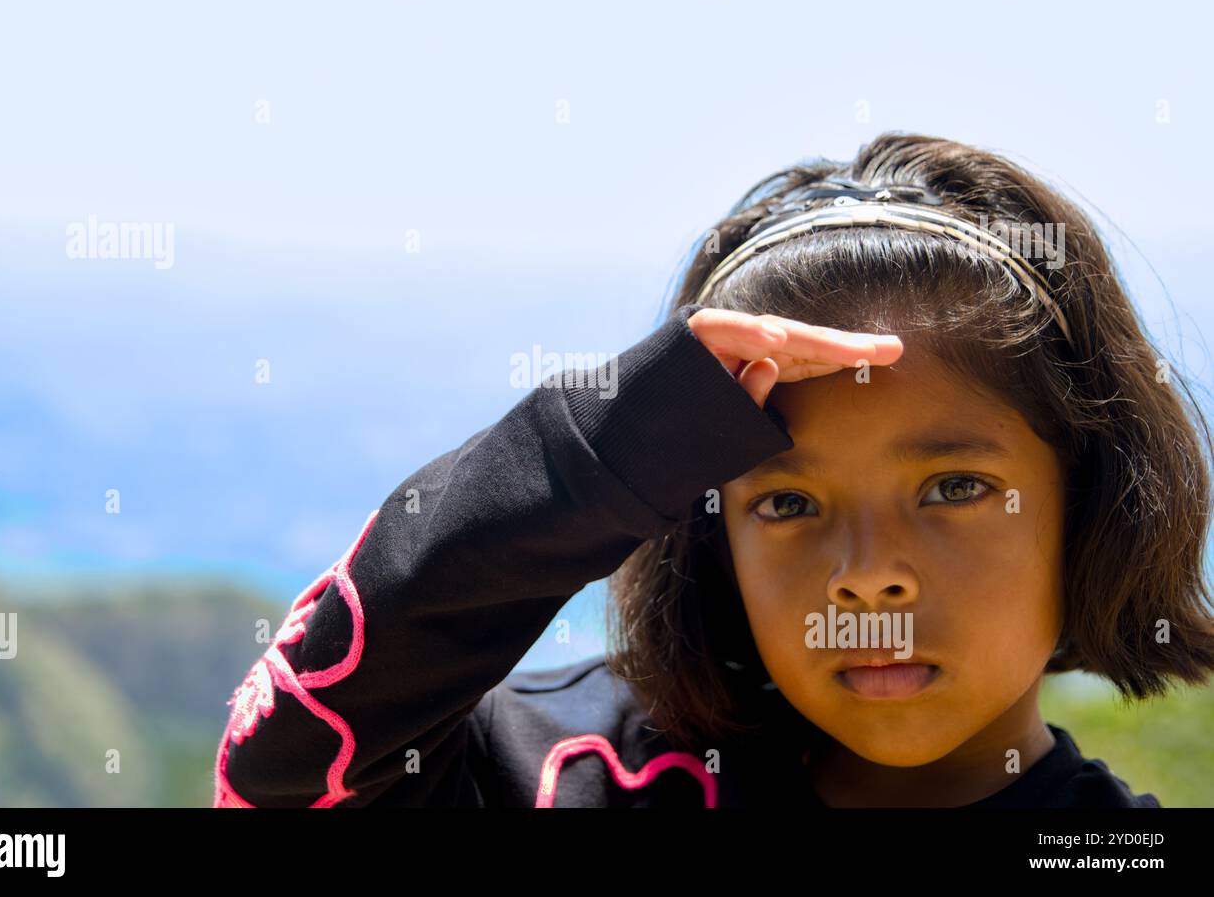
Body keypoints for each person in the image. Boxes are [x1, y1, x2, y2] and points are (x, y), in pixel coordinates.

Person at [212, 133, 1214, 807]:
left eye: (951, 486)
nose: (865, 574)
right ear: (713, 537)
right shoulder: (566, 773)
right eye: (785, 500)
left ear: (1089, 504)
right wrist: (612, 444)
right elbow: (292, 770)